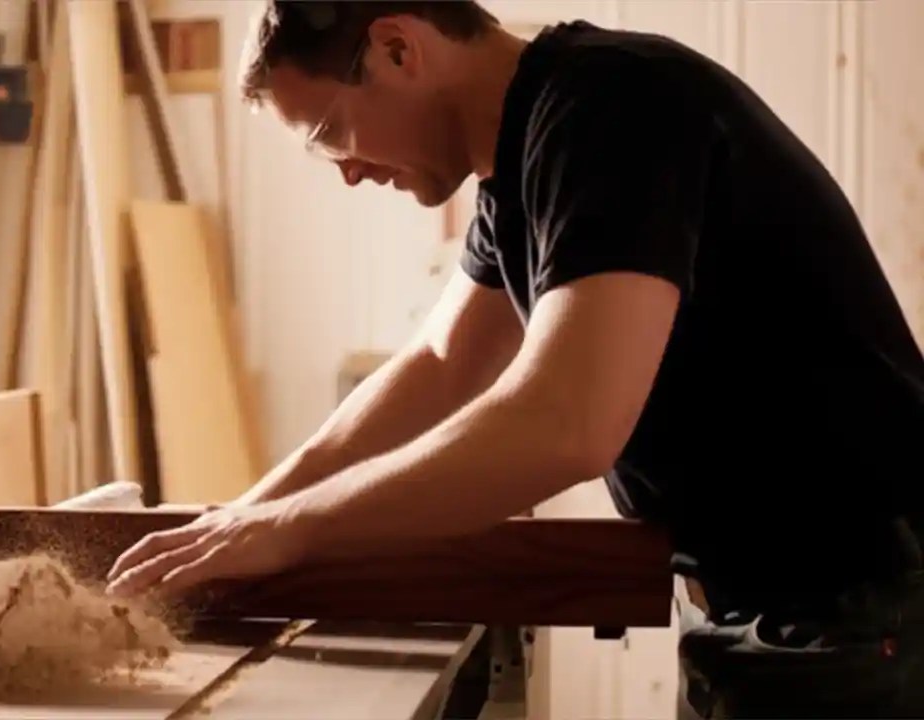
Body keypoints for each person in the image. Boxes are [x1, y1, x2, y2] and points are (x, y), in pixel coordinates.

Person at [106, 1, 924, 716]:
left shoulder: (613, 105)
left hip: (860, 612)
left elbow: (566, 424)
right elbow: (441, 362)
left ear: (398, 48)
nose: (347, 172)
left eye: (329, 133)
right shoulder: (528, 150)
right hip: (773, 610)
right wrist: (243, 519)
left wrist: (291, 531)